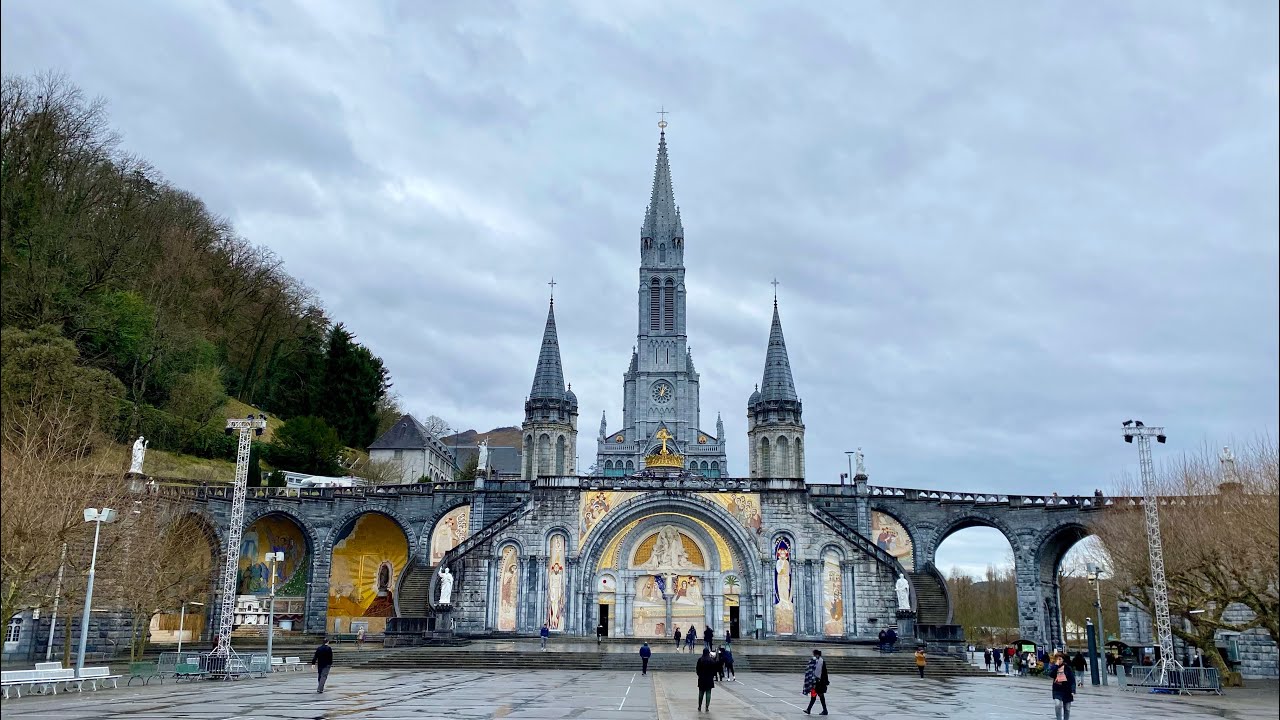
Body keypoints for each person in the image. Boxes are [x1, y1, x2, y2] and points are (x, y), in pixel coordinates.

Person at [1046, 652, 1077, 720]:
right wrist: (1056, 666)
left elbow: (1072, 680)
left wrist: (1073, 690)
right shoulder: (1054, 667)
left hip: (1067, 690)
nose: (1058, 660)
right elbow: (1051, 674)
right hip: (1058, 689)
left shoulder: (1067, 668)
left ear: (1063, 659)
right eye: (1057, 659)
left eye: (1060, 659)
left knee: (1067, 708)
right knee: (1057, 704)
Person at [802, 649, 829, 715]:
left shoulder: (819, 662)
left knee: (819, 695)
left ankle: (824, 710)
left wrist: (826, 681)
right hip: (817, 681)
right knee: (816, 696)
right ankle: (809, 709)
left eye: (814, 654)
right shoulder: (818, 661)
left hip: (819, 681)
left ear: (817, 654)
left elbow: (824, 672)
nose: (813, 655)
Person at [695, 647, 718, 712]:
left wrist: (699, 675)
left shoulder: (700, 660)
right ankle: (707, 706)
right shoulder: (711, 661)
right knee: (708, 692)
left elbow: (697, 669)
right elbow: (714, 670)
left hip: (702, 678)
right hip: (709, 679)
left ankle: (699, 706)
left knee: (701, 692)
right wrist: (712, 675)